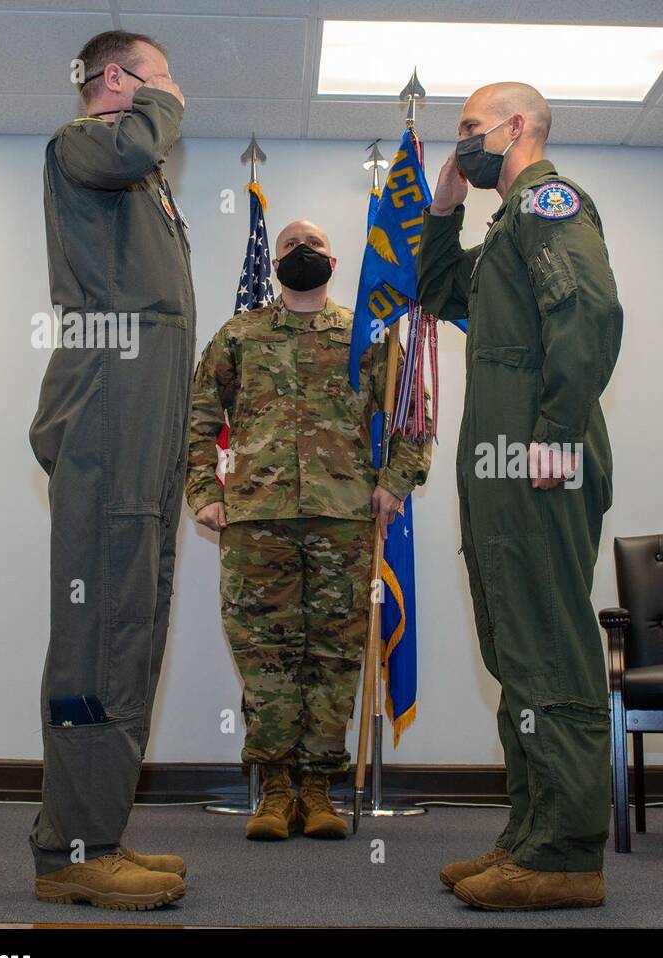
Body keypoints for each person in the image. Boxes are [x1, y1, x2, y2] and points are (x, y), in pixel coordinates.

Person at [416, 82, 622, 911]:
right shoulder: (506, 224)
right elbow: (437, 293)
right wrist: (445, 207)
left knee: (549, 646)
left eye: (469, 129)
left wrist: (557, 430)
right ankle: (531, 833)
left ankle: (568, 853)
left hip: (539, 457)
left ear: (514, 128)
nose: (459, 140)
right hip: (505, 465)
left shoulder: (549, 202)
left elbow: (591, 308)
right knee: (515, 648)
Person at [187, 220, 430, 842]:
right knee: (264, 655)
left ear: (334, 260)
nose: (302, 253)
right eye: (292, 246)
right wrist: (202, 492)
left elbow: (411, 412)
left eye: (313, 246)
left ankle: (319, 789)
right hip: (256, 521)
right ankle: (273, 790)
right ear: (274, 263)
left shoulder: (364, 335)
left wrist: (394, 484)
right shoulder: (239, 335)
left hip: (343, 518)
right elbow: (197, 414)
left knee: (333, 654)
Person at [27, 31, 193, 909]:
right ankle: (73, 852)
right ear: (119, 81)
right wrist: (152, 99)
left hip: (147, 426)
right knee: (100, 634)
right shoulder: (84, 142)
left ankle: (100, 835)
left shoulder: (142, 181)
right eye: (162, 77)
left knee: (130, 627)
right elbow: (135, 138)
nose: (176, 96)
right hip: (108, 420)